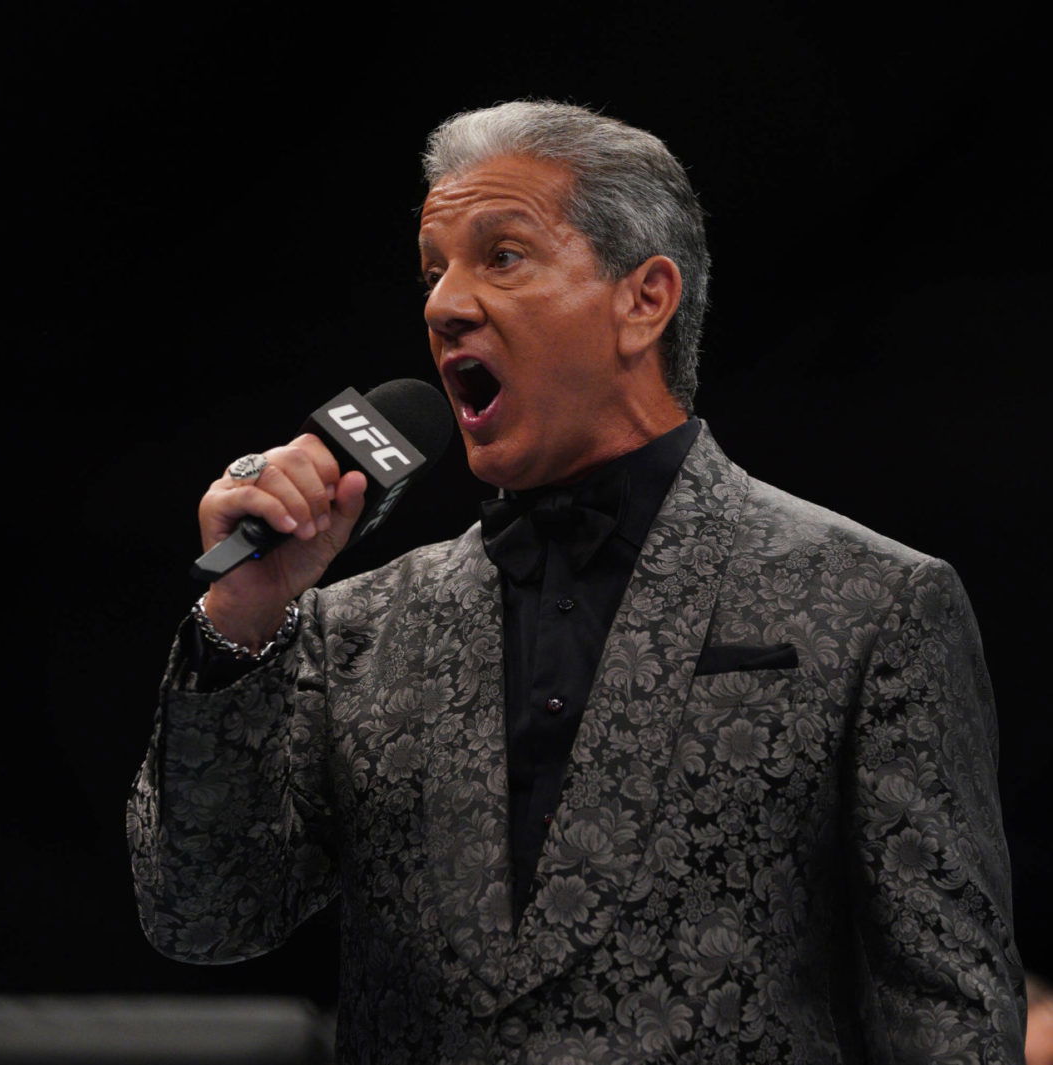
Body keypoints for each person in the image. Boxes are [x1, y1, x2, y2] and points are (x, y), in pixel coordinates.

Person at [128, 100, 1026, 1063]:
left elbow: (948, 1017)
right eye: (432, 271)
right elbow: (203, 917)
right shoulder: (356, 627)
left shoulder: (870, 602)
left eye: (501, 256)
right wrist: (242, 622)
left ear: (645, 299)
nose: (443, 304)